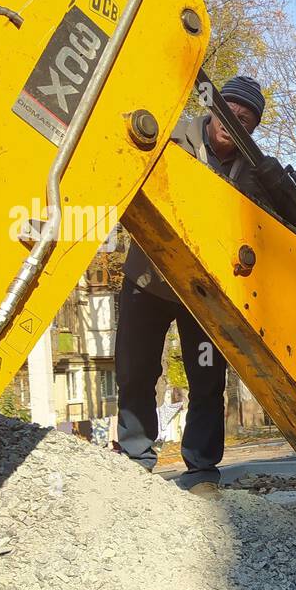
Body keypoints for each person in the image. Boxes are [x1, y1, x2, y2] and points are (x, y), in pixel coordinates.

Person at [114, 75, 268, 493]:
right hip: (149, 276)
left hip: (202, 291)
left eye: (246, 121)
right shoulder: (170, 136)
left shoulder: (253, 171)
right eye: (231, 112)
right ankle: (135, 458)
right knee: (136, 369)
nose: (235, 123)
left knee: (206, 378)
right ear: (214, 108)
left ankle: (201, 469)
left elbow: (279, 211)